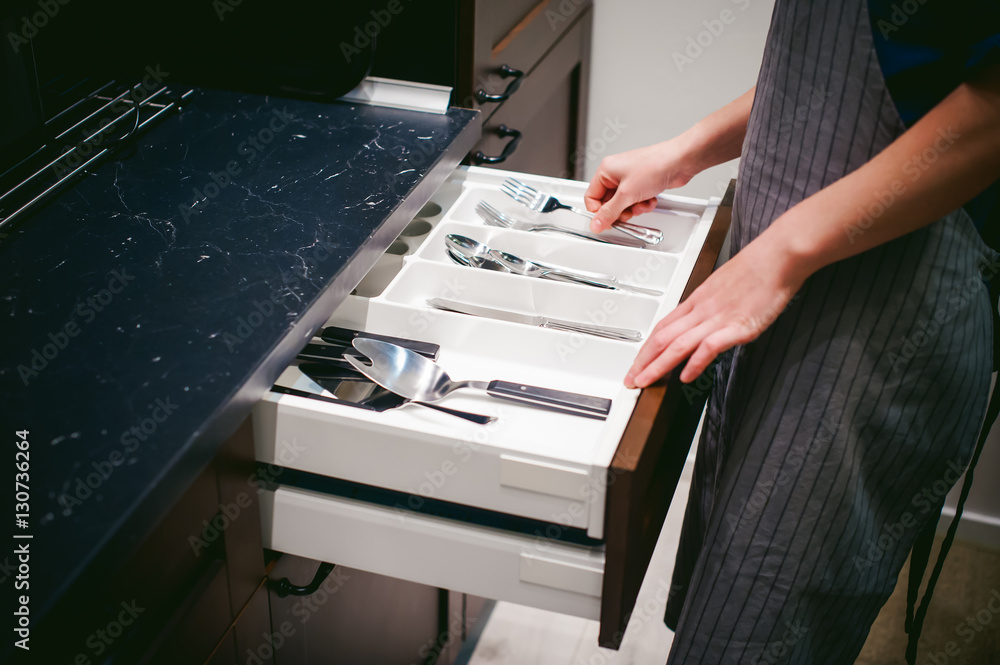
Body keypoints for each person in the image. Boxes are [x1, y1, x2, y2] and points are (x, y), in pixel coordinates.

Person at [584, 0, 1000, 663]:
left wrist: (784, 254)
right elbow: (829, 77)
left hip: (876, 330)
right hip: (774, 303)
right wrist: (685, 151)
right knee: (721, 609)